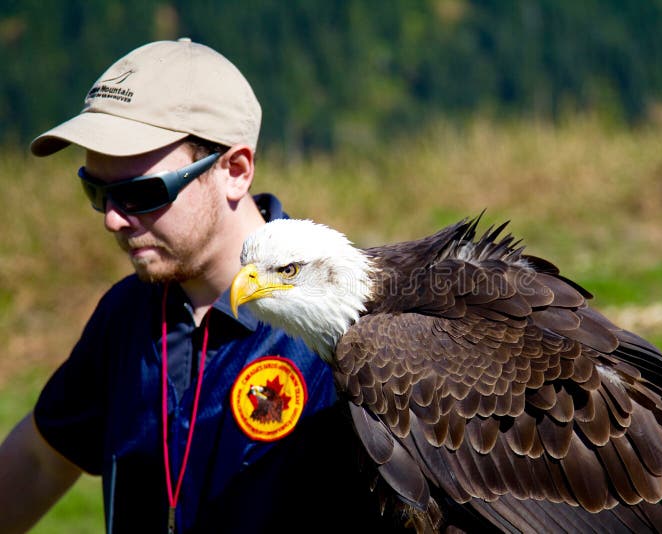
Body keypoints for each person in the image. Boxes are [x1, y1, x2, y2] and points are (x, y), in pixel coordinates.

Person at [0, 39, 395, 533]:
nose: (113, 220)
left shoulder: (355, 338)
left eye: (142, 192)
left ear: (235, 170)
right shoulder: (125, 315)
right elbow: (41, 462)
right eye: (95, 190)